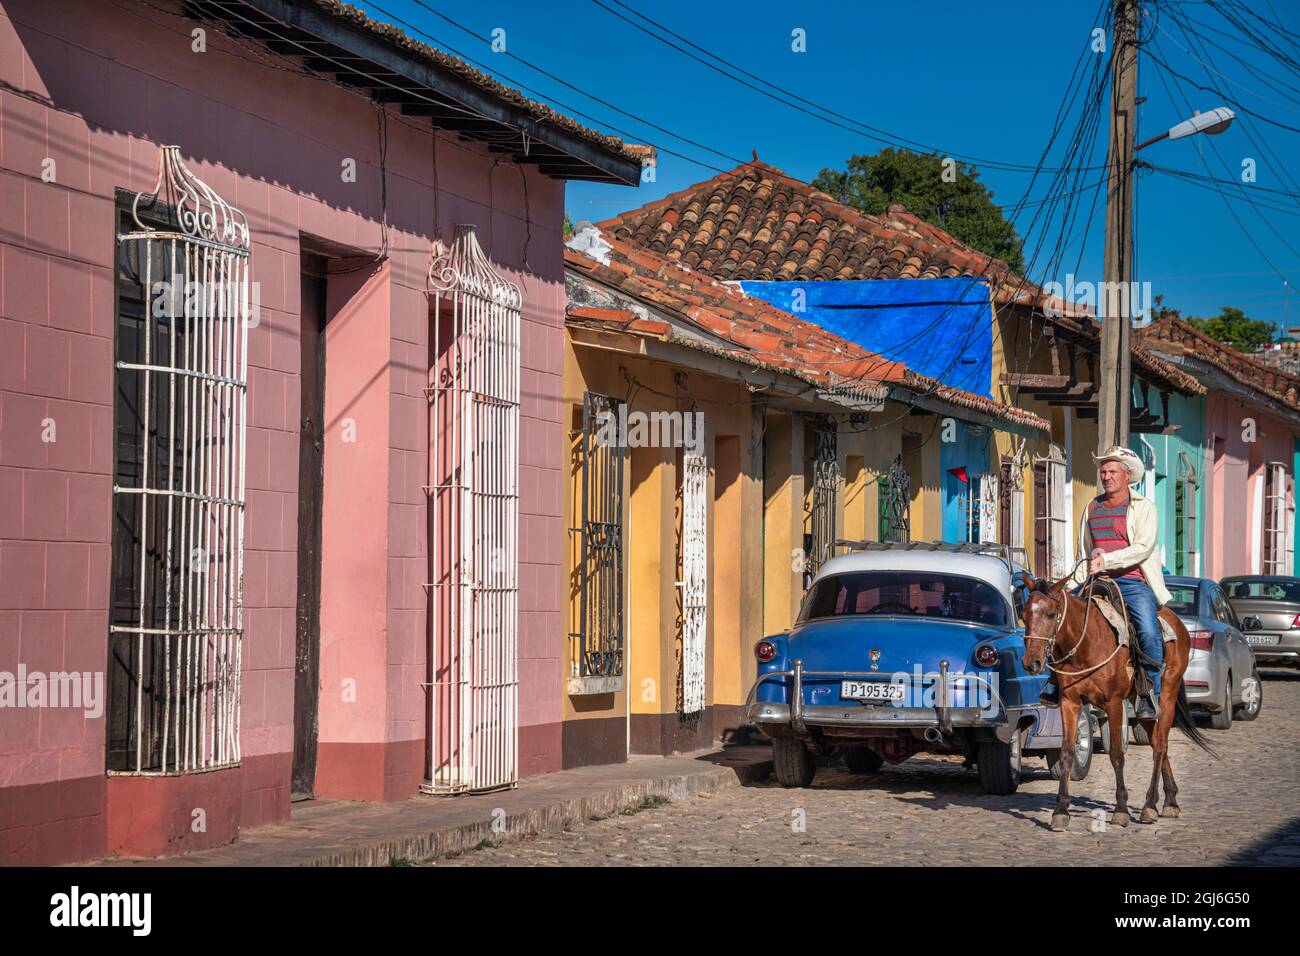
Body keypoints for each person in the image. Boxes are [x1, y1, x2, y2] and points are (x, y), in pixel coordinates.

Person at [1039, 446, 1170, 719]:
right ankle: (1055, 681)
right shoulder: (1091, 508)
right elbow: (1084, 554)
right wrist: (1065, 586)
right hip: (1096, 581)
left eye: (1112, 471)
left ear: (1127, 474)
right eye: (1103, 472)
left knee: (1147, 631)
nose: (1106, 476)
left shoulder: (1143, 507)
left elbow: (1143, 547)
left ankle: (1148, 691)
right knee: (1059, 620)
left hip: (1133, 582)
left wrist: (1107, 560)